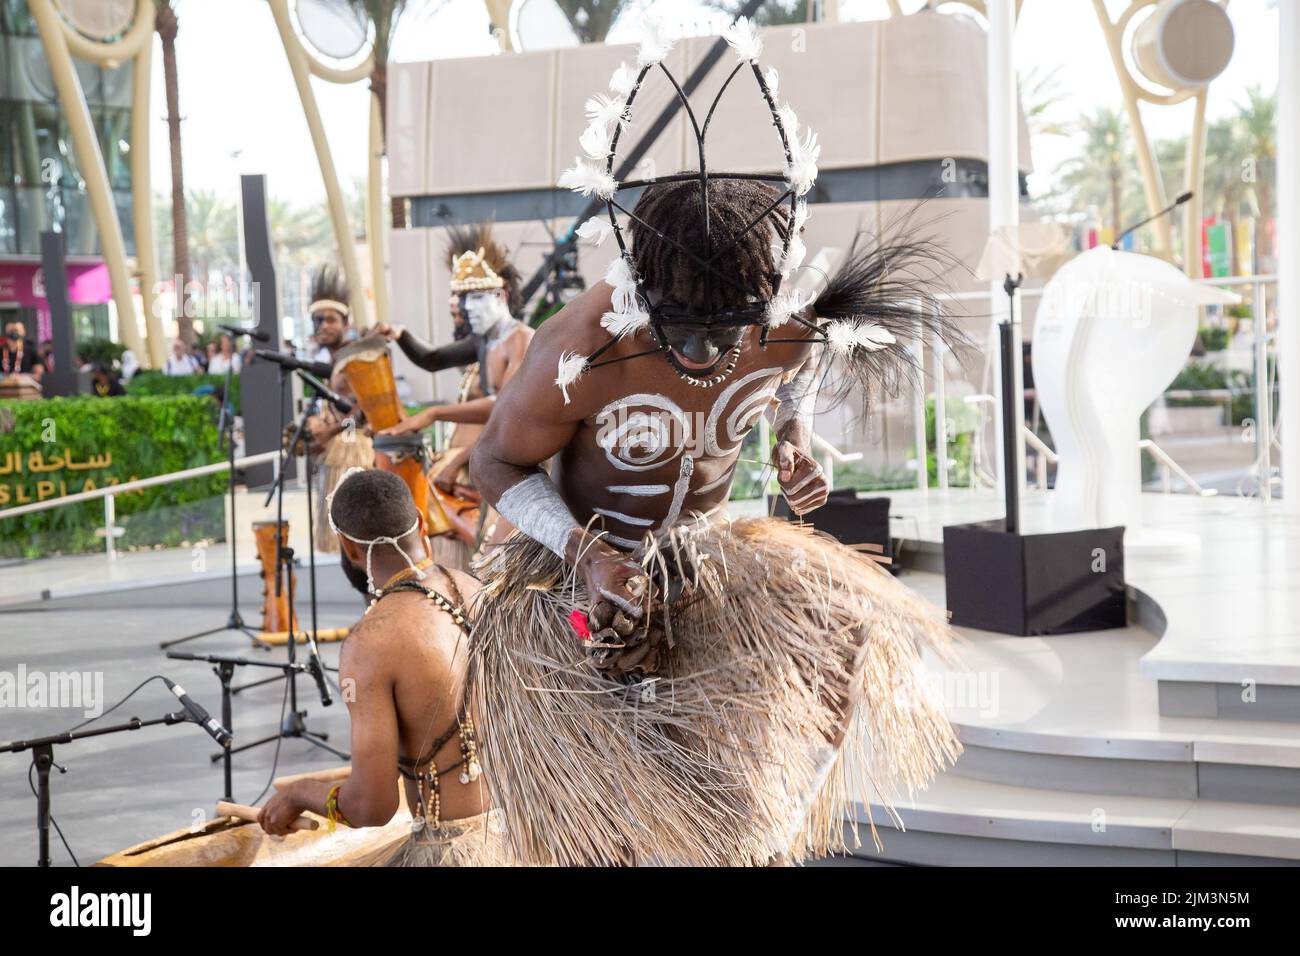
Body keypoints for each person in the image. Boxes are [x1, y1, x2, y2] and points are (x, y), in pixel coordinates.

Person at [466, 28, 963, 866]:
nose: (702, 353)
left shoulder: (781, 328)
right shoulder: (582, 347)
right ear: (643, 292)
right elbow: (494, 462)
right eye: (683, 330)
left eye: (724, 331)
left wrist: (793, 441)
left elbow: (792, 376)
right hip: (582, 577)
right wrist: (586, 555)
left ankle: (760, 839)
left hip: (709, 561)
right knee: (615, 818)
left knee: (833, 649)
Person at [256, 468, 506, 866]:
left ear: (348, 547)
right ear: (420, 521)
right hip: (517, 832)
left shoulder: (368, 645)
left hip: (450, 852)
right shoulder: (476, 591)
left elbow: (371, 805)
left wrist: (299, 793)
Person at [374, 224, 533, 565]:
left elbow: (505, 408)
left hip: (516, 461)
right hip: (486, 456)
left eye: (476, 297)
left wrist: (433, 415)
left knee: (495, 558)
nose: (467, 307)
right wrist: (401, 335)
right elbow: (433, 359)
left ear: (500, 295)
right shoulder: (485, 341)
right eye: (463, 298)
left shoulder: (521, 339)